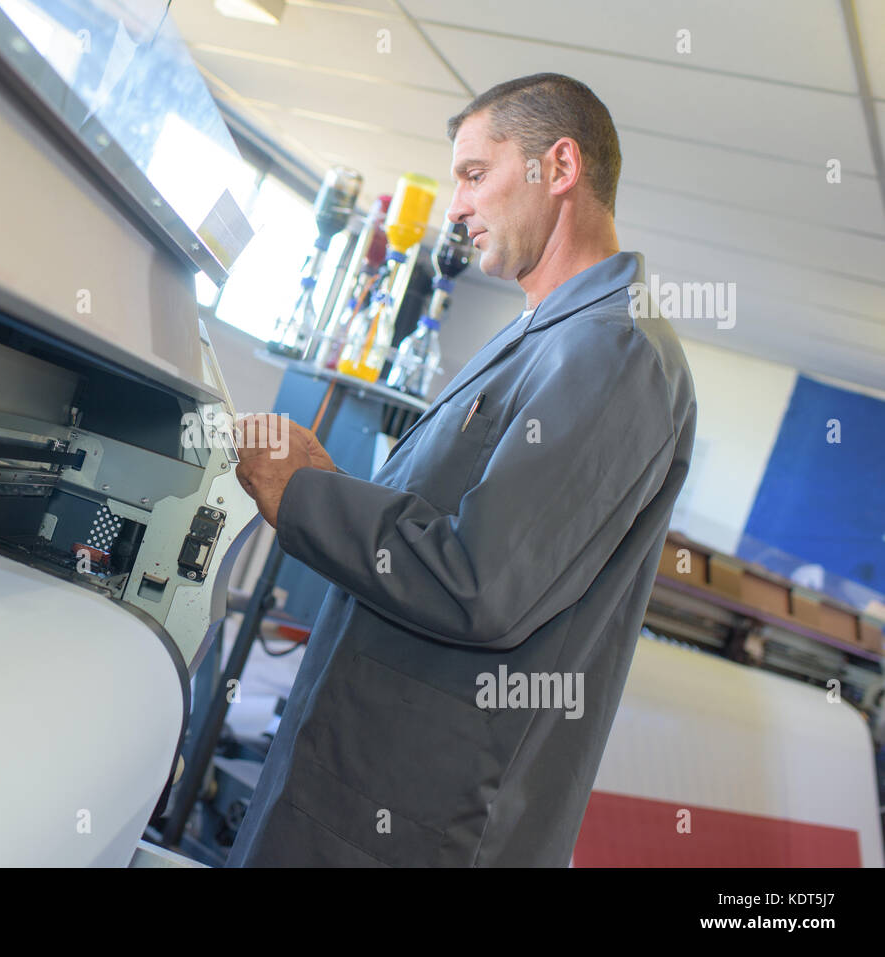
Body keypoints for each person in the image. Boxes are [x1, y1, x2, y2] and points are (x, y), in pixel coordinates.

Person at [229, 73, 697, 867]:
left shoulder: (615, 351)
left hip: (422, 823)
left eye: (476, 175)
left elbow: (481, 581)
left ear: (558, 167)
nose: (456, 206)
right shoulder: (544, 337)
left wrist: (306, 494)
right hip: (358, 778)